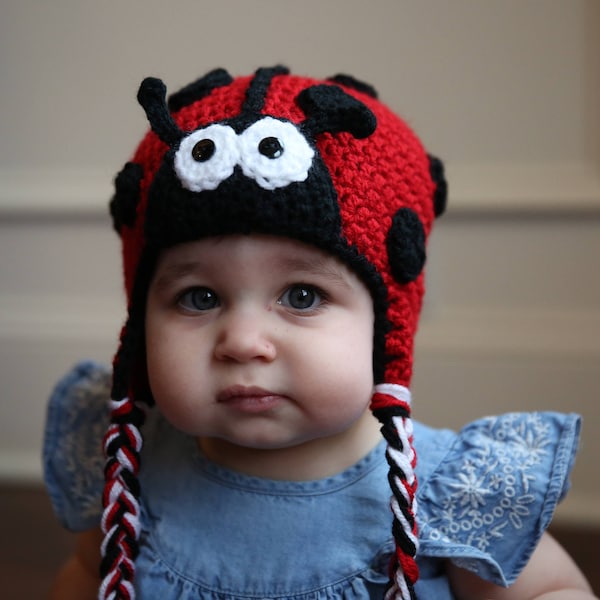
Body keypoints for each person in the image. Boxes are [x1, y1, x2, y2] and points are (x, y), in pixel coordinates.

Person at [44, 66, 596, 600]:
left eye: (302, 296)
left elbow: (550, 590)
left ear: (387, 324)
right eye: (199, 297)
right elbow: (84, 575)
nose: (242, 341)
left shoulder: (446, 493)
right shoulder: (128, 474)